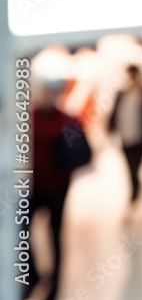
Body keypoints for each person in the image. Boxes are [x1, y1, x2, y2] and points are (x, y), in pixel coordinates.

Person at [24, 78, 91, 300]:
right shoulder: (28, 119)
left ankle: (55, 285)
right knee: (23, 232)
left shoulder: (68, 120)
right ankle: (33, 274)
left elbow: (84, 152)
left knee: (56, 235)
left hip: (58, 187)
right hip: (33, 187)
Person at [109, 64, 142, 204]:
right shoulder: (121, 94)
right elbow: (114, 114)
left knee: (136, 165)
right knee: (130, 166)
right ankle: (135, 191)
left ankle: (135, 192)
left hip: (141, 136)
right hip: (125, 137)